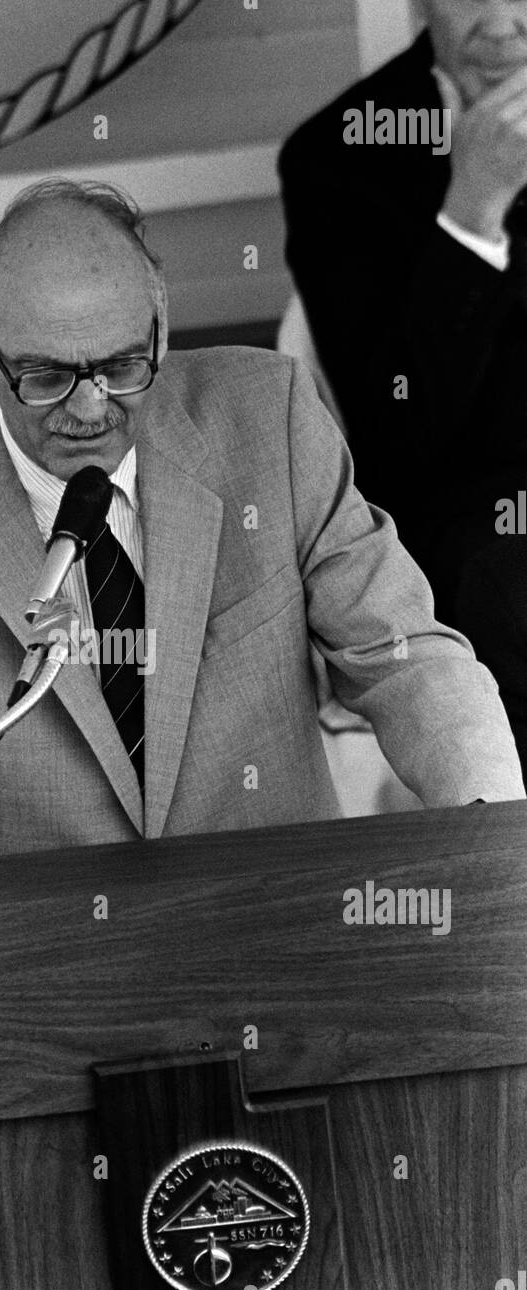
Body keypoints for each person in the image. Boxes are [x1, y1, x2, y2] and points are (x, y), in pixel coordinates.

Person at [0, 176, 524, 995]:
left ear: (161, 331)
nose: (92, 406)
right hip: (33, 995)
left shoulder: (267, 417)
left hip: (290, 956)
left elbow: (407, 660)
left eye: (125, 365)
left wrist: (499, 832)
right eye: (47, 375)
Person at [278, 0, 527, 768]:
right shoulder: (337, 157)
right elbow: (397, 440)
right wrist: (473, 208)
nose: (498, 22)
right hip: (479, 527)